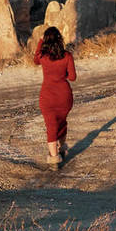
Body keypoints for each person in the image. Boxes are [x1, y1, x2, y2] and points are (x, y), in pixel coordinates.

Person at [33, 26, 76, 170]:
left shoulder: (43, 57)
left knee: (51, 127)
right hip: (64, 97)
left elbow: (35, 60)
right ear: (60, 40)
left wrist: (40, 40)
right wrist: (62, 73)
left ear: (46, 41)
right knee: (62, 123)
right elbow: (72, 77)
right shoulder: (67, 56)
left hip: (48, 97)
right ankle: (61, 149)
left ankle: (54, 160)